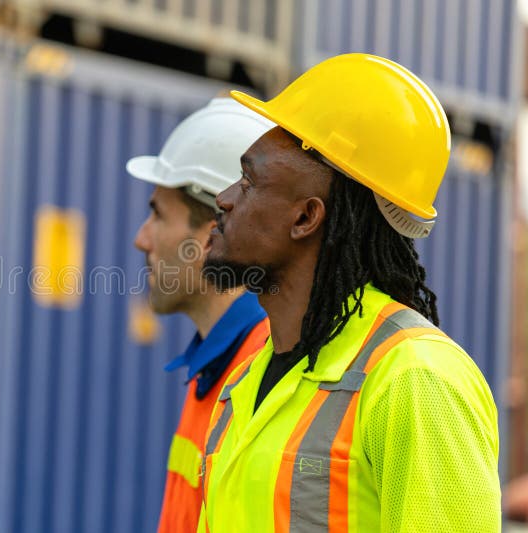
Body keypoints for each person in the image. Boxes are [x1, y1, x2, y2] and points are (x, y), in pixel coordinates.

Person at [198, 54, 501, 532]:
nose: (224, 197)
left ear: (305, 217)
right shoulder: (247, 382)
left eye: (249, 179)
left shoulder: (417, 379)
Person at [127, 98, 274, 532]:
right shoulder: (222, 368)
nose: (141, 238)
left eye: (157, 214)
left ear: (212, 238)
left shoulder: (261, 376)